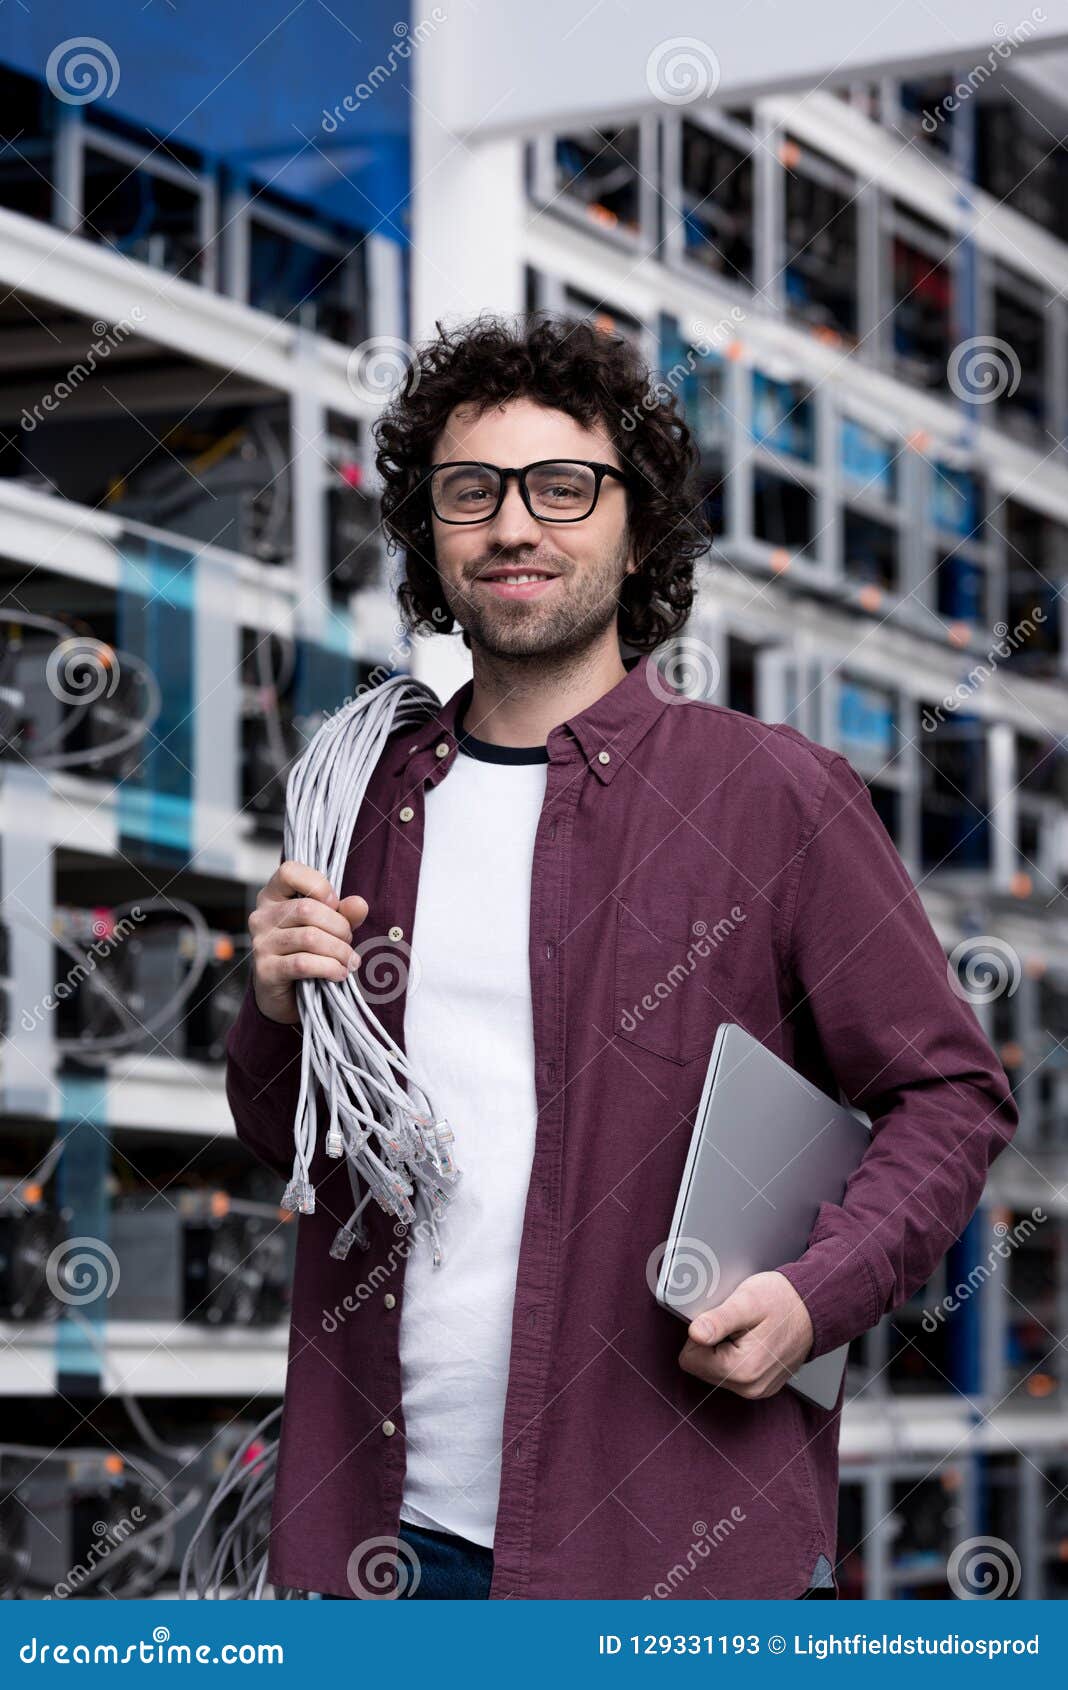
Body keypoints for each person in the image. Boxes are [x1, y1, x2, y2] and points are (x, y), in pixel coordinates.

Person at [225, 312, 1018, 1601]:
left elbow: (950, 1093)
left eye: (564, 487)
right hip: (386, 1541)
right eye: (471, 491)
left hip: (661, 1545)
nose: (515, 526)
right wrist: (268, 1008)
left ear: (636, 528)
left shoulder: (773, 798)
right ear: (432, 533)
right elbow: (298, 1142)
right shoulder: (364, 803)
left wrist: (821, 1294)